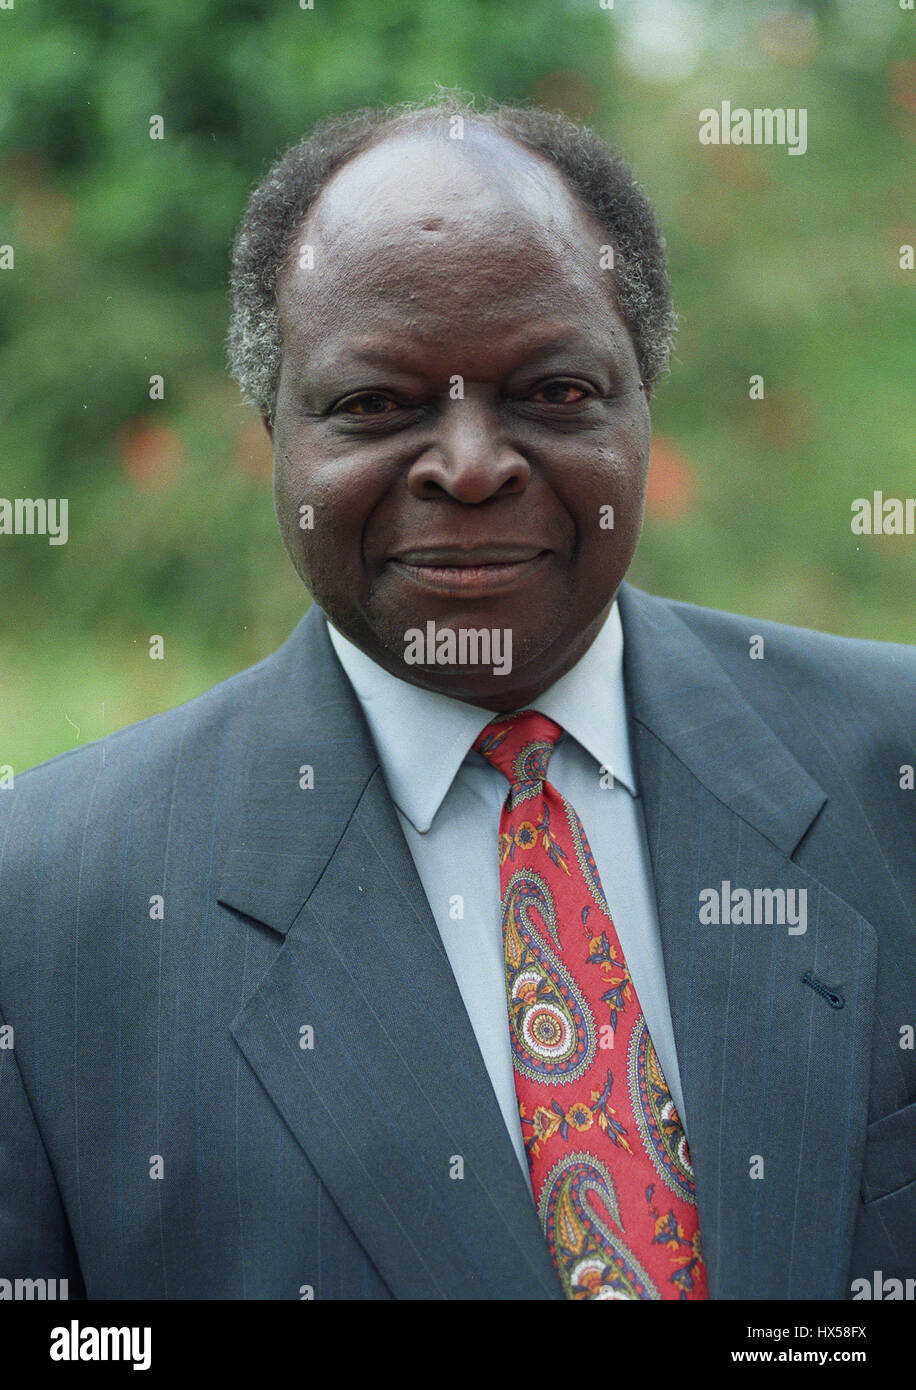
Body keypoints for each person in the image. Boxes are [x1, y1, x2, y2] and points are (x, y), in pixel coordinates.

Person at [1, 97, 913, 1302]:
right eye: (376, 404)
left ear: (646, 398)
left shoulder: (888, 771)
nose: (471, 465)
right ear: (272, 428)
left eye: (554, 391)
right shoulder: (50, 908)